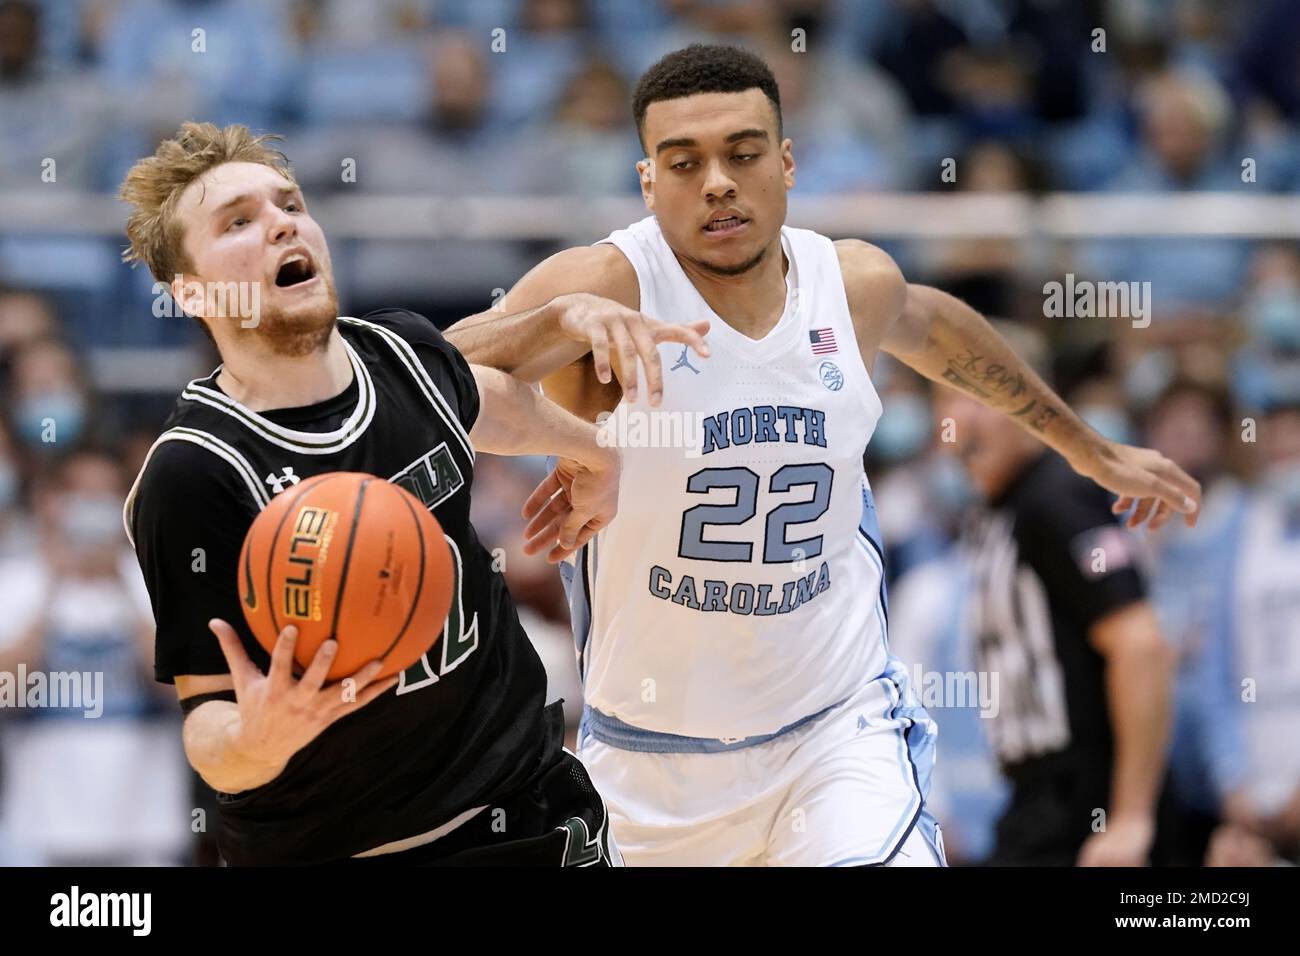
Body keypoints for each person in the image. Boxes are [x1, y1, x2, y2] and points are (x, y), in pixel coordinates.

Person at [445, 44, 1202, 867]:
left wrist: (1088, 450)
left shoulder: (851, 284)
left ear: (788, 161)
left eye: (743, 153)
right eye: (685, 162)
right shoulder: (607, 281)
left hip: (836, 734)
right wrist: (565, 370)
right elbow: (432, 379)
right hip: (649, 760)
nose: (719, 183)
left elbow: (938, 329)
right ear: (646, 182)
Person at [117, 121, 640, 866]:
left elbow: (486, 400)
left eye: (290, 205)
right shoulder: (194, 473)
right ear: (192, 291)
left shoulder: (400, 353)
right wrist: (254, 742)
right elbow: (208, 724)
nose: (280, 225)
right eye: (239, 221)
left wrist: (588, 448)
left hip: (525, 812)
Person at [934, 326, 1177, 866]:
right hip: (1036, 801)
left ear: (1036, 404)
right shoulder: (996, 510)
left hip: (1086, 806)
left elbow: (1142, 647)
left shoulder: (1055, 498)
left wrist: (1130, 819)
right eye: (947, 396)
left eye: (981, 396)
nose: (961, 418)